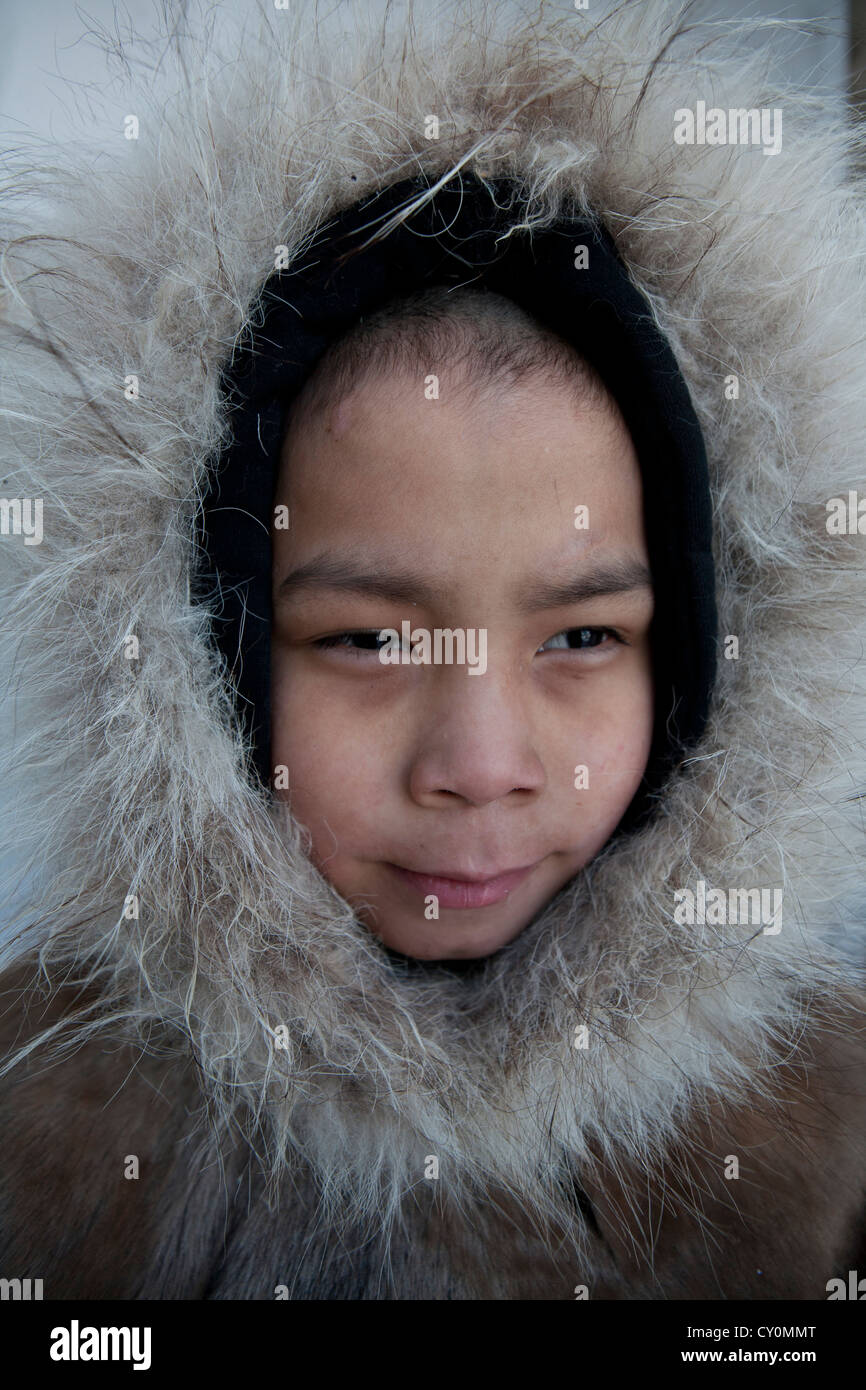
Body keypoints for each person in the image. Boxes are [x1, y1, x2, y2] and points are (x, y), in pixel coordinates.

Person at [0, 0, 864, 1300]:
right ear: (194, 656)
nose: (479, 761)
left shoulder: (824, 1125)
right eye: (365, 637)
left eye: (580, 633)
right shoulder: (42, 1120)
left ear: (699, 663)